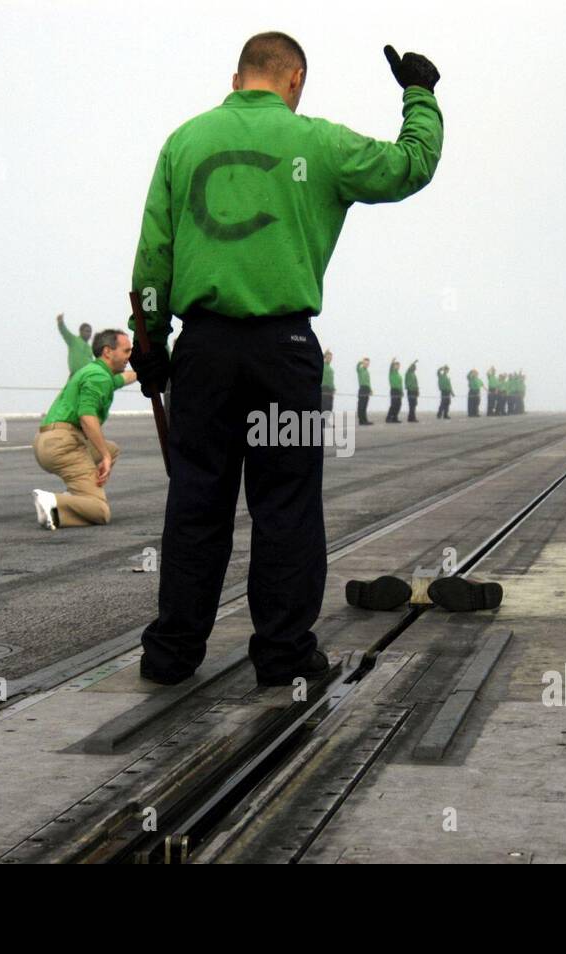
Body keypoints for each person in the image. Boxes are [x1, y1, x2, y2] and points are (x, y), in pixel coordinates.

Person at [127, 31, 442, 687]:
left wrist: (153, 345)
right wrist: (420, 96)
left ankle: (171, 654)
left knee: (195, 504)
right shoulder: (320, 143)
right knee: (287, 507)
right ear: (294, 79)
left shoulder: (184, 142)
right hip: (286, 355)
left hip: (204, 352)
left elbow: (153, 258)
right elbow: (408, 167)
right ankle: (283, 655)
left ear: (239, 75)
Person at [32, 329, 137, 529]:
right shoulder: (99, 378)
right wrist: (104, 456)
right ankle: (55, 503)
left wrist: (147, 371)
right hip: (63, 446)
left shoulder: (95, 372)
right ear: (108, 351)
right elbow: (87, 417)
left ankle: (75, 498)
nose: (129, 356)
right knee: (100, 511)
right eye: (126, 351)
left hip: (46, 442)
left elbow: (123, 379)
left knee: (112, 448)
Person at [355, 357, 373, 425]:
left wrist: (370, 390)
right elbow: (357, 367)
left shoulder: (367, 372)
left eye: (368, 363)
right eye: (365, 363)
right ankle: (361, 420)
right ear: (363, 363)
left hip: (367, 389)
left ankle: (365, 420)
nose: (367, 364)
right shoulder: (360, 369)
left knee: (365, 405)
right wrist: (361, 362)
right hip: (362, 388)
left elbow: (368, 382)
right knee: (361, 405)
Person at [386, 358, 403, 423]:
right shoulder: (392, 372)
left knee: (399, 405)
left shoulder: (399, 375)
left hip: (399, 391)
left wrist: (401, 391)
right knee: (393, 404)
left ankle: (395, 418)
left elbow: (400, 384)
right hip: (394, 390)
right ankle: (388, 418)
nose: (398, 367)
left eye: (398, 366)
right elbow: (390, 367)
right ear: (394, 366)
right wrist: (392, 361)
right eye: (396, 365)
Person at [320, 349, 335, 415]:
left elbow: (331, 380)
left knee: (329, 407)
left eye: (331, 358)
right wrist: (324, 354)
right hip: (324, 388)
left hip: (330, 389)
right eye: (328, 357)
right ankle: (321, 423)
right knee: (324, 406)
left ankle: (325, 421)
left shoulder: (330, 368)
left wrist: (333, 388)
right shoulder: (322, 365)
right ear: (325, 358)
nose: (330, 359)